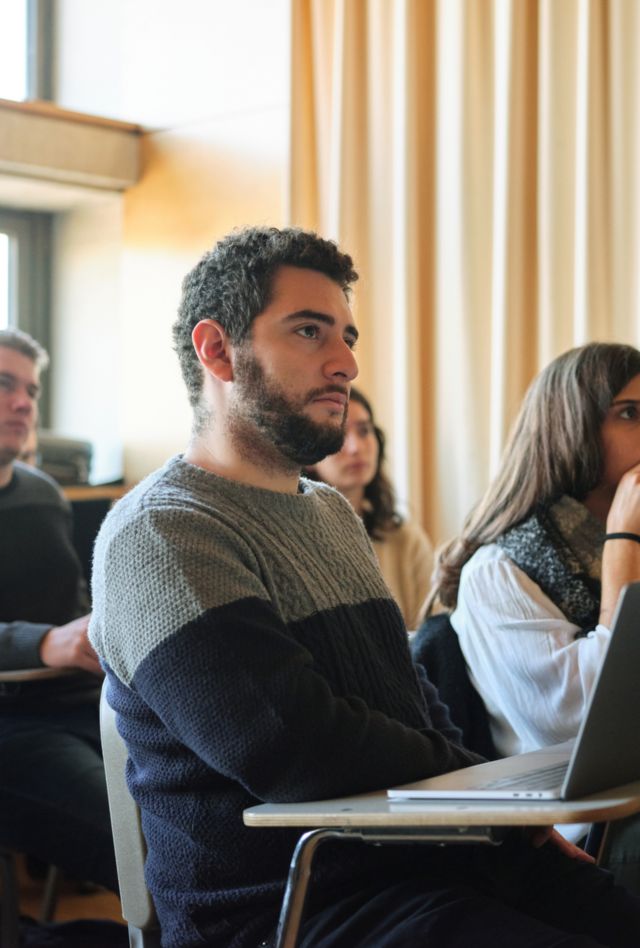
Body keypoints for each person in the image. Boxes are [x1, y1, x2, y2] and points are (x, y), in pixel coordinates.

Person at [89, 228, 640, 948]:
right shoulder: (161, 535)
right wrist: (488, 796)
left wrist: (512, 827)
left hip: (432, 864)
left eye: (347, 335)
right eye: (310, 331)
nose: (346, 362)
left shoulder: (328, 515)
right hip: (295, 908)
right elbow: (293, 745)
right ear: (218, 350)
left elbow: (412, 706)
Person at [427, 341, 640, 888]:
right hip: (593, 831)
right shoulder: (499, 572)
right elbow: (580, 724)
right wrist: (622, 549)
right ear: (571, 428)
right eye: (631, 413)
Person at [0, 327, 117, 891]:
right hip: (13, 723)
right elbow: (57, 631)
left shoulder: (43, 494)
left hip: (88, 705)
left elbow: (76, 606)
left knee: (210, 798)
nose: (23, 402)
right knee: (138, 838)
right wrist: (44, 642)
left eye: (31, 389)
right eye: (5, 385)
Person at [308, 386, 433, 629]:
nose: (356, 447)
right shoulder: (293, 541)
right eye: (339, 434)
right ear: (310, 453)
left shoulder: (404, 538)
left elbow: (432, 632)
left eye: (364, 431)